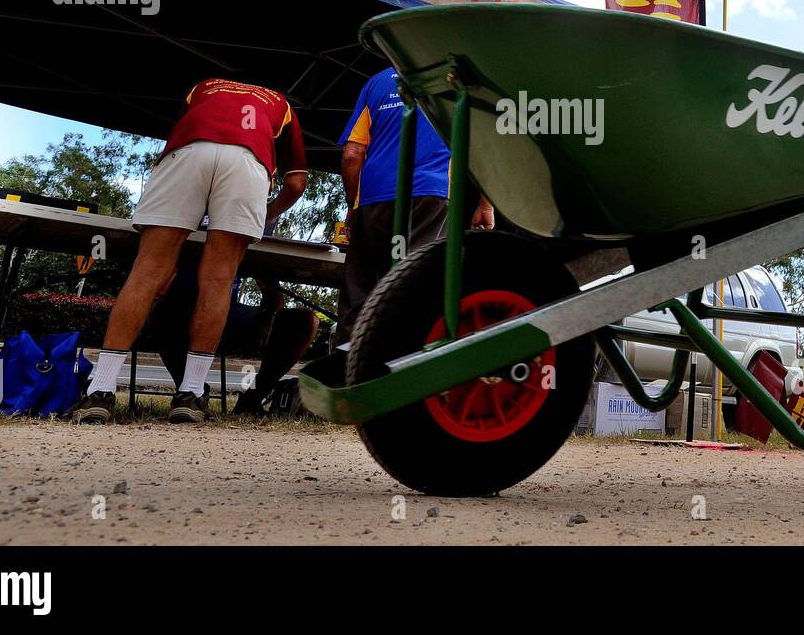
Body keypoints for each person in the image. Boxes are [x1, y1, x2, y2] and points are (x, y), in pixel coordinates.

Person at [73, 78, 308, 424]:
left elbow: (182, 133)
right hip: (248, 161)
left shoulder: (203, 87)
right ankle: (190, 393)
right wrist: (272, 211)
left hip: (187, 152)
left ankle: (100, 390)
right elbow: (296, 182)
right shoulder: (281, 104)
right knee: (219, 278)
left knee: (147, 271)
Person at [327, 66, 492, 370]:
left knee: (360, 291)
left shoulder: (376, 82)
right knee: (416, 286)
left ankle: (344, 376)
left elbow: (352, 154)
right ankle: (404, 374)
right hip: (430, 194)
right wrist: (485, 203)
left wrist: (354, 204)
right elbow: (482, 146)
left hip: (374, 197)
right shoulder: (456, 78)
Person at [148, 252, 319, 416]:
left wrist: (269, 314)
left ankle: (252, 398)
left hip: (229, 312)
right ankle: (190, 390)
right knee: (166, 310)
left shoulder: (247, 235)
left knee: (305, 321)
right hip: (181, 309)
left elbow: (273, 292)